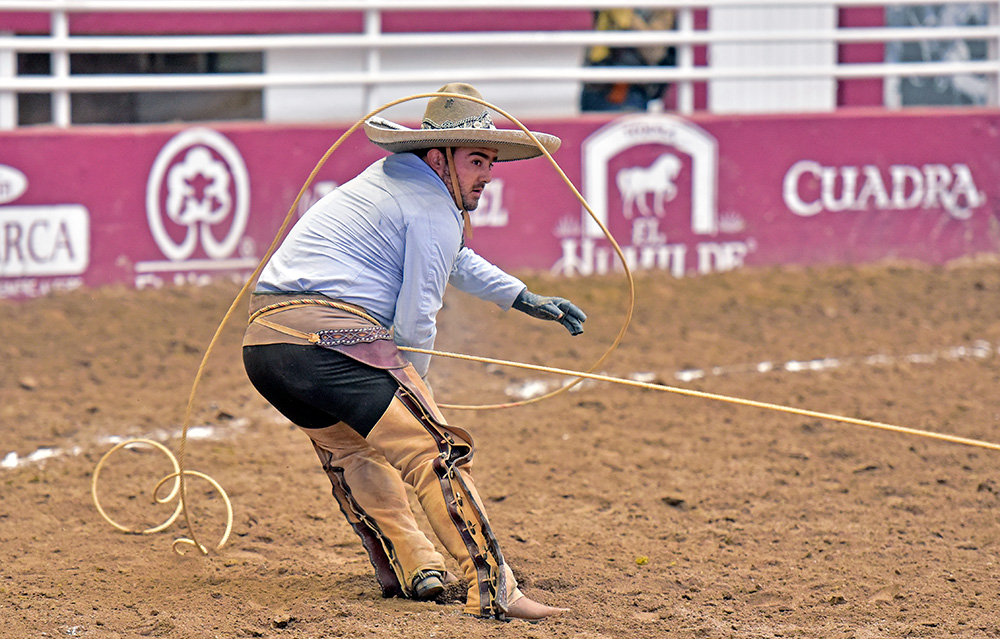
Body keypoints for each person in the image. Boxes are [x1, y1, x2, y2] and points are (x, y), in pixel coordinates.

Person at [241, 83, 587, 621]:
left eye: (490, 162)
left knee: (353, 452)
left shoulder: (391, 183)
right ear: (438, 157)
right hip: (335, 342)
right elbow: (418, 316)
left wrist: (520, 296)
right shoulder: (430, 205)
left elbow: (452, 257)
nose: (487, 175)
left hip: (267, 348)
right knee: (435, 451)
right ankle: (493, 587)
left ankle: (415, 565)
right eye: (477, 160)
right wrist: (414, 387)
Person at [580, 8, 677, 112]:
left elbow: (654, 52)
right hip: (595, 86)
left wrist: (629, 19)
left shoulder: (661, 9)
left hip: (629, 91)